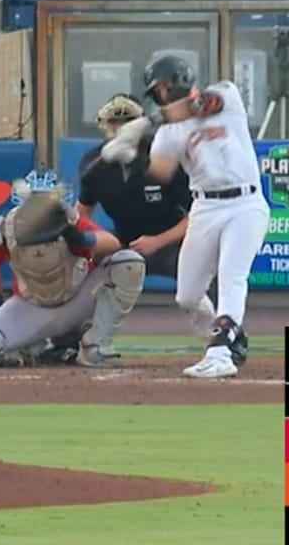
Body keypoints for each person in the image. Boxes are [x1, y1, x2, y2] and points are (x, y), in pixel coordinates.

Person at [102, 55, 265, 379]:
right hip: (205, 208)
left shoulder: (226, 95)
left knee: (232, 278)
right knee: (187, 294)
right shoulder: (168, 133)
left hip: (245, 203)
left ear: (177, 80)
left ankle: (220, 353)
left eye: (162, 87)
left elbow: (200, 105)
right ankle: (228, 335)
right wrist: (131, 156)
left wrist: (145, 123)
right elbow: (161, 172)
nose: (159, 94)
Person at [0, 169, 145, 368]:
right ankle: (39, 346)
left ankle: (95, 344)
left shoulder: (69, 221)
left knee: (129, 263)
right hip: (32, 306)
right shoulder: (6, 229)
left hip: (79, 300)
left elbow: (112, 243)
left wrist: (82, 238)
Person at [78, 94, 214, 342]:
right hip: (123, 242)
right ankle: (81, 339)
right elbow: (81, 214)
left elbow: (198, 213)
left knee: (206, 265)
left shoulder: (162, 155)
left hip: (170, 239)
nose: (121, 129)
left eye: (128, 122)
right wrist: (102, 239)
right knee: (78, 266)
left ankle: (221, 337)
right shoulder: (94, 163)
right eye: (114, 122)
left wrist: (157, 241)